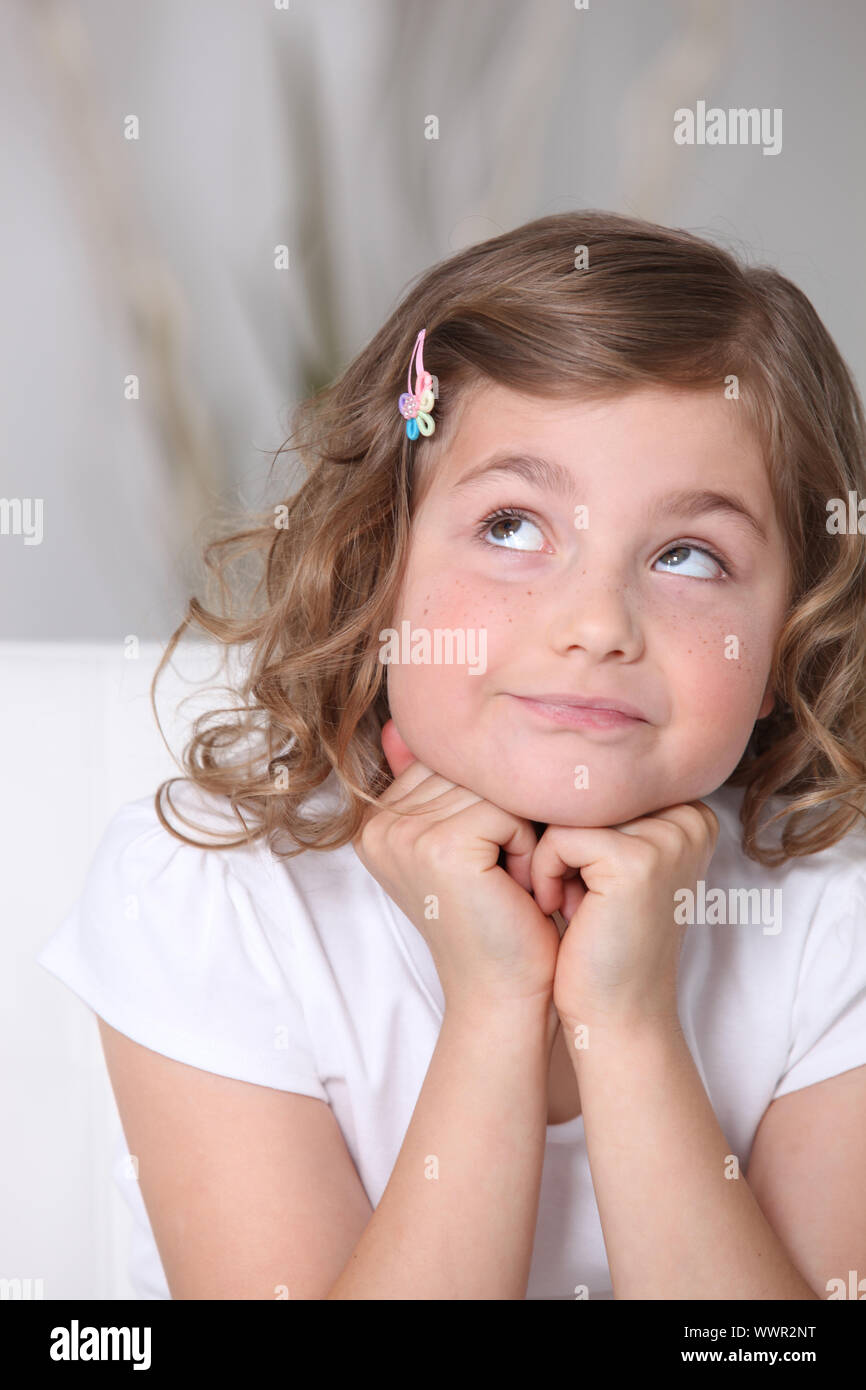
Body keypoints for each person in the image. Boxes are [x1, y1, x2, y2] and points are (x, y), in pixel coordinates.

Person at [38, 210, 866, 1300]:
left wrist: (622, 1024)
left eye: (685, 554)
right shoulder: (209, 889)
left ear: (782, 641)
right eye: (512, 526)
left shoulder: (830, 909)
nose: (592, 621)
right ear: (379, 570)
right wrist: (490, 1009)